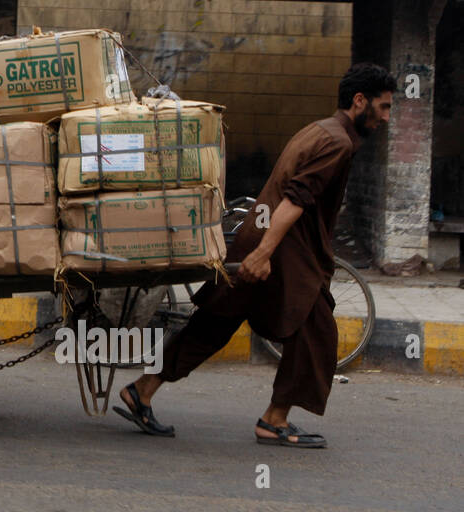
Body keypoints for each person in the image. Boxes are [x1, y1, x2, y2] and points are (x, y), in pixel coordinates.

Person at [117, 63, 396, 448]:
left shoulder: (319, 129)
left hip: (261, 242)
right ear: (359, 101)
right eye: (382, 107)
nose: (385, 117)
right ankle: (274, 420)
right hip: (285, 254)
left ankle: (142, 390)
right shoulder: (337, 142)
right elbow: (296, 199)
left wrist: (259, 248)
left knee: (214, 323)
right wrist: (265, 254)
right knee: (315, 332)